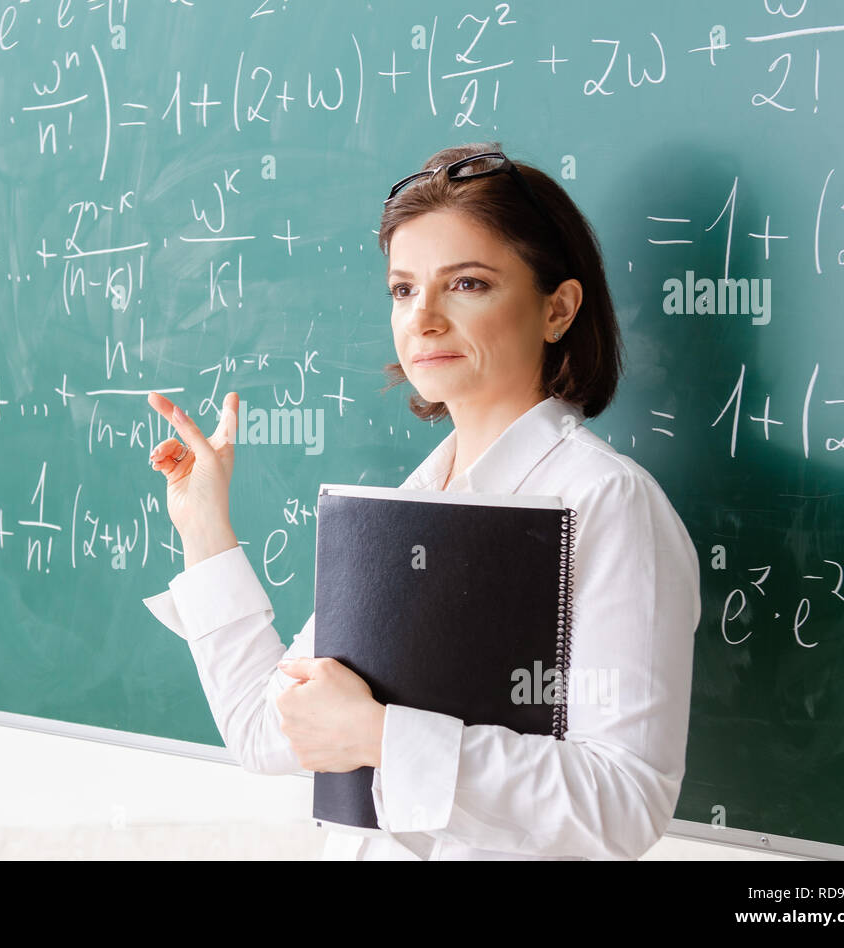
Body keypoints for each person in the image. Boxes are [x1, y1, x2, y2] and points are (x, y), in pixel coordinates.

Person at [139, 143, 701, 861]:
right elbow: (263, 726)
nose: (424, 318)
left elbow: (624, 800)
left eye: (466, 284)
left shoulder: (606, 504)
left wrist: (380, 735)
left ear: (557, 308)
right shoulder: (404, 508)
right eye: (403, 289)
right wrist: (203, 523)